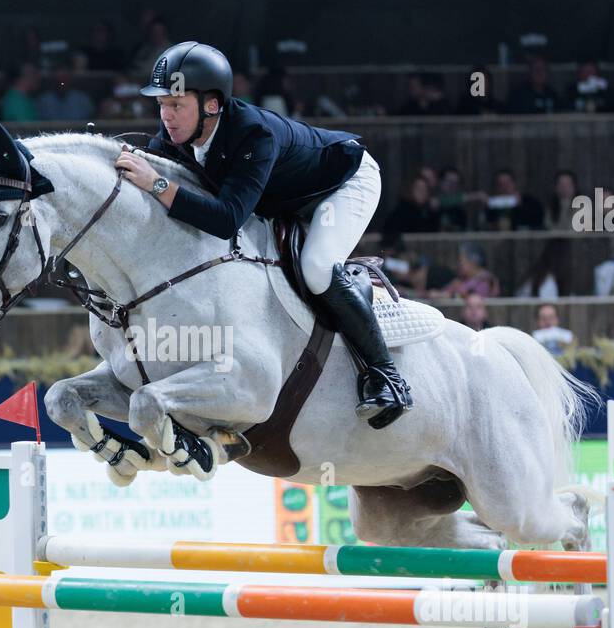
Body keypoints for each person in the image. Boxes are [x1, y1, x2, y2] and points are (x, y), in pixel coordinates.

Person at [122, 40, 411, 428]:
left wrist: (157, 185)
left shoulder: (252, 134)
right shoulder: (181, 131)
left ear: (211, 104)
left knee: (317, 267)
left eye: (175, 105)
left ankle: (386, 377)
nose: (166, 116)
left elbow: (226, 219)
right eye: (161, 105)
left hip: (343, 182)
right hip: (282, 197)